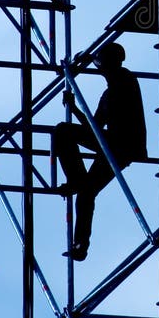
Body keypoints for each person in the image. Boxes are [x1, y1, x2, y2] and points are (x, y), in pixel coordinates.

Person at [52, 41, 148, 260]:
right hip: (111, 144)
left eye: (104, 61)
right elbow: (93, 127)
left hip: (124, 146)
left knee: (63, 132)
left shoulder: (125, 79)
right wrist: (75, 109)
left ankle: (77, 182)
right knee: (85, 192)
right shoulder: (107, 95)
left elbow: (105, 68)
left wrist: (87, 59)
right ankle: (80, 244)